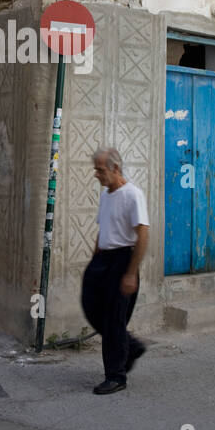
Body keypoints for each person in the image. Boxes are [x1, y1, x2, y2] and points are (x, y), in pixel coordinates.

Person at [80, 147, 149, 394]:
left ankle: (116, 376)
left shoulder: (133, 195)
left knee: (114, 319)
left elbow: (142, 235)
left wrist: (131, 273)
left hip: (123, 260)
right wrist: (94, 257)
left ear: (115, 168)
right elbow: (104, 227)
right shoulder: (106, 195)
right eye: (96, 169)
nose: (96, 174)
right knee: (90, 305)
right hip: (103, 259)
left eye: (100, 170)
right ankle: (130, 346)